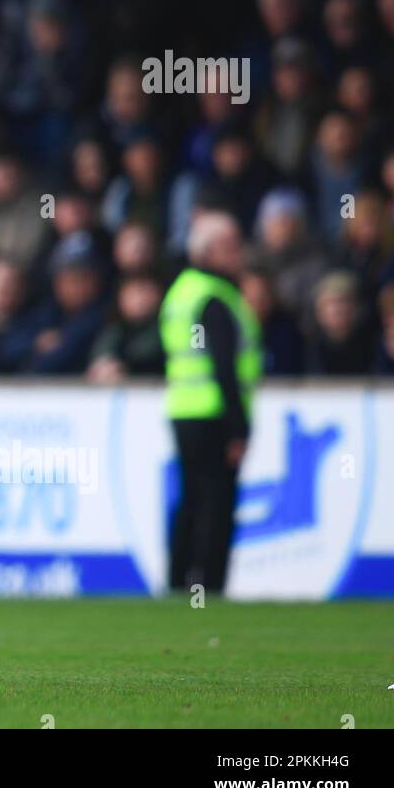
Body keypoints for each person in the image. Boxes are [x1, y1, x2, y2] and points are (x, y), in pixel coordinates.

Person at [159, 212, 262, 595]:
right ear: (206, 251)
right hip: (213, 412)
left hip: (184, 408)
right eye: (230, 245)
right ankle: (208, 588)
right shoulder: (215, 298)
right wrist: (240, 427)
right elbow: (224, 366)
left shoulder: (182, 291)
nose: (239, 253)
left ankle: (177, 583)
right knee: (215, 504)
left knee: (191, 500)